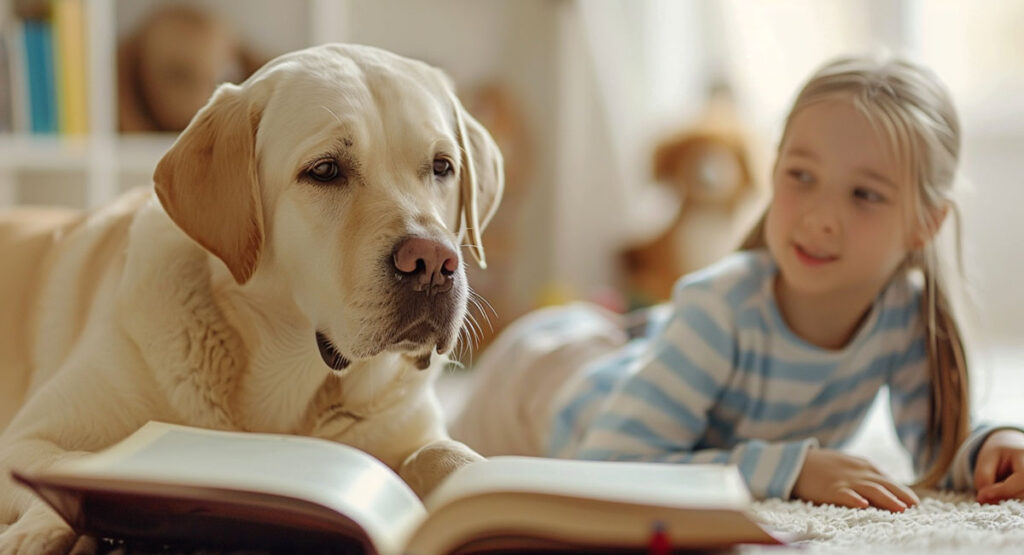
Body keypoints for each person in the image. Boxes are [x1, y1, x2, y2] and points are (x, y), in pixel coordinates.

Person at [451, 55, 1024, 511]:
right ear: (774, 172)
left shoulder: (901, 314)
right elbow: (610, 461)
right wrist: (791, 470)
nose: (821, 217)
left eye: (865, 194)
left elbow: (935, 445)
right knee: (436, 474)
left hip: (631, 359)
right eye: (802, 176)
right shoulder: (722, 306)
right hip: (542, 385)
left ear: (926, 223)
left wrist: (991, 447)